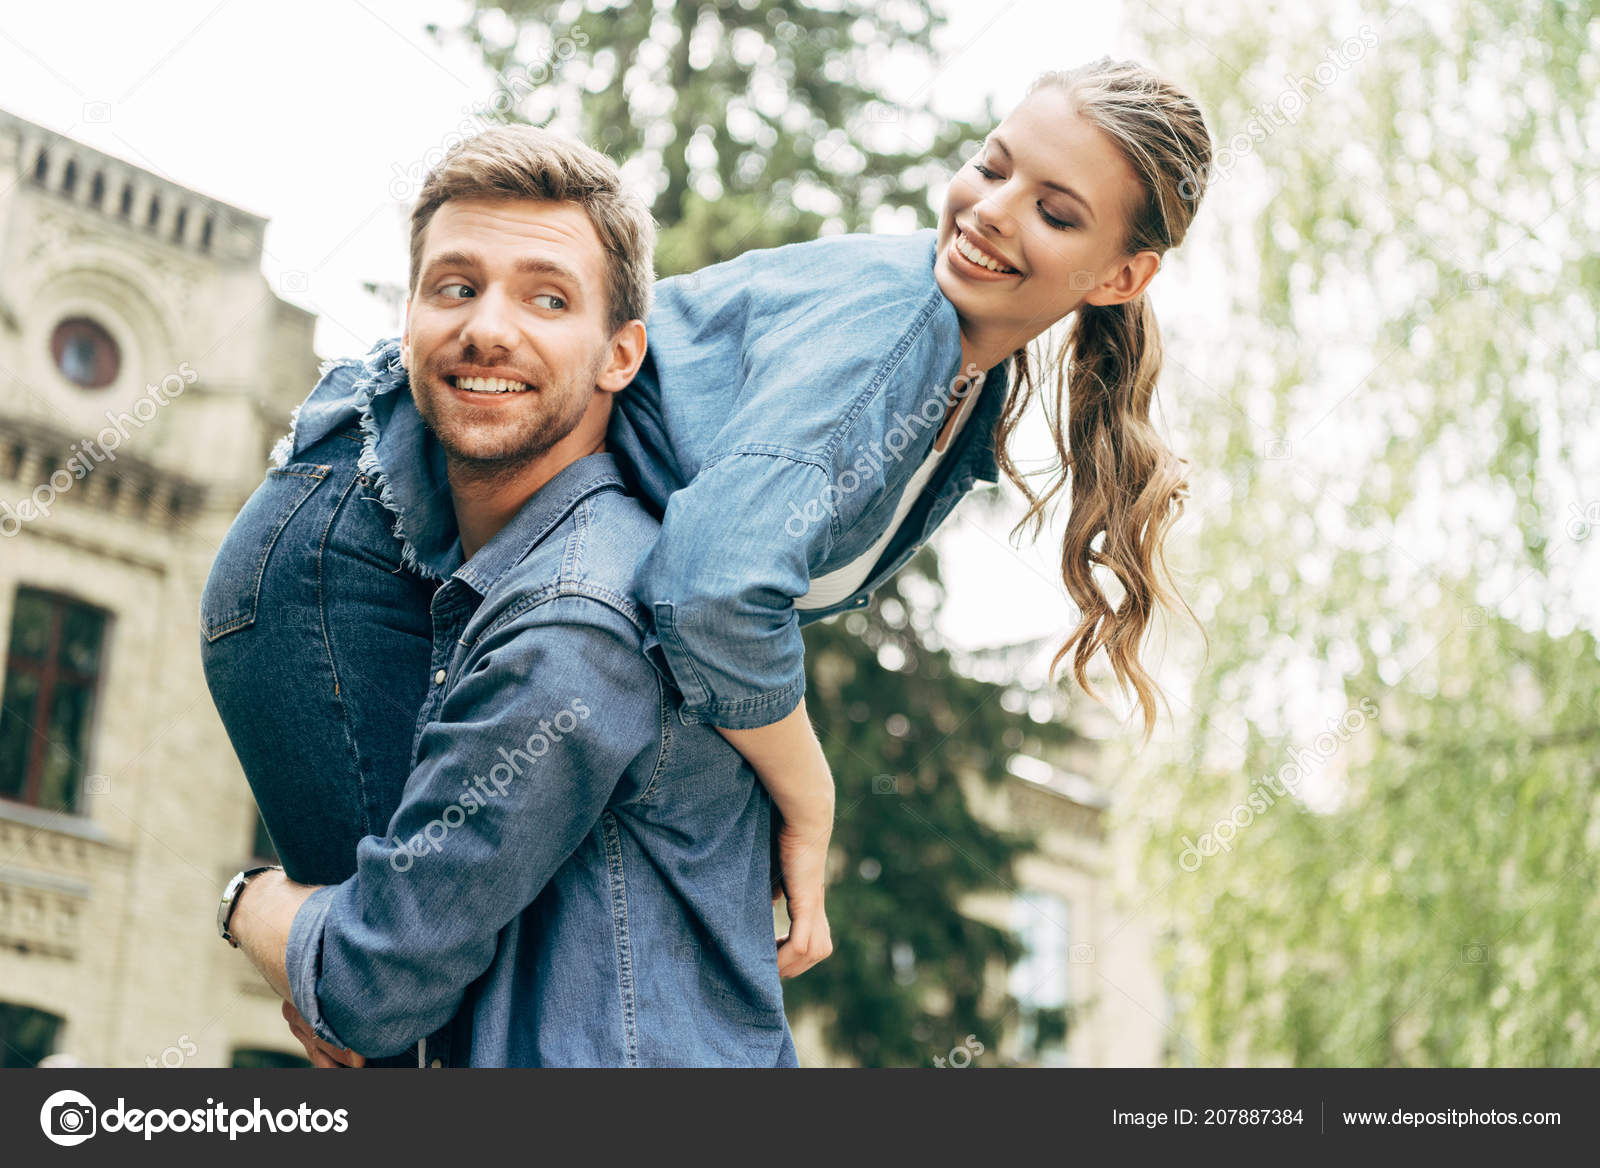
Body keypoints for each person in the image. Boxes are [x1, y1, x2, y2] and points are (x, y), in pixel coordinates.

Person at [203, 55, 1212, 1058]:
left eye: (1055, 213)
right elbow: (714, 588)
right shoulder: (899, 323)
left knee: (427, 984)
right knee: (389, 991)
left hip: (498, 589)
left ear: (1122, 277)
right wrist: (807, 791)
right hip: (347, 547)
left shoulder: (962, 378)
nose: (992, 211)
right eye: (991, 166)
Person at [216, 153, 797, 1066]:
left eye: (547, 299)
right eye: (455, 288)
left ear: (621, 355)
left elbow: (373, 984)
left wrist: (245, 901)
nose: (488, 330)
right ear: (408, 324)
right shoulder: (511, 576)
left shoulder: (574, 620)